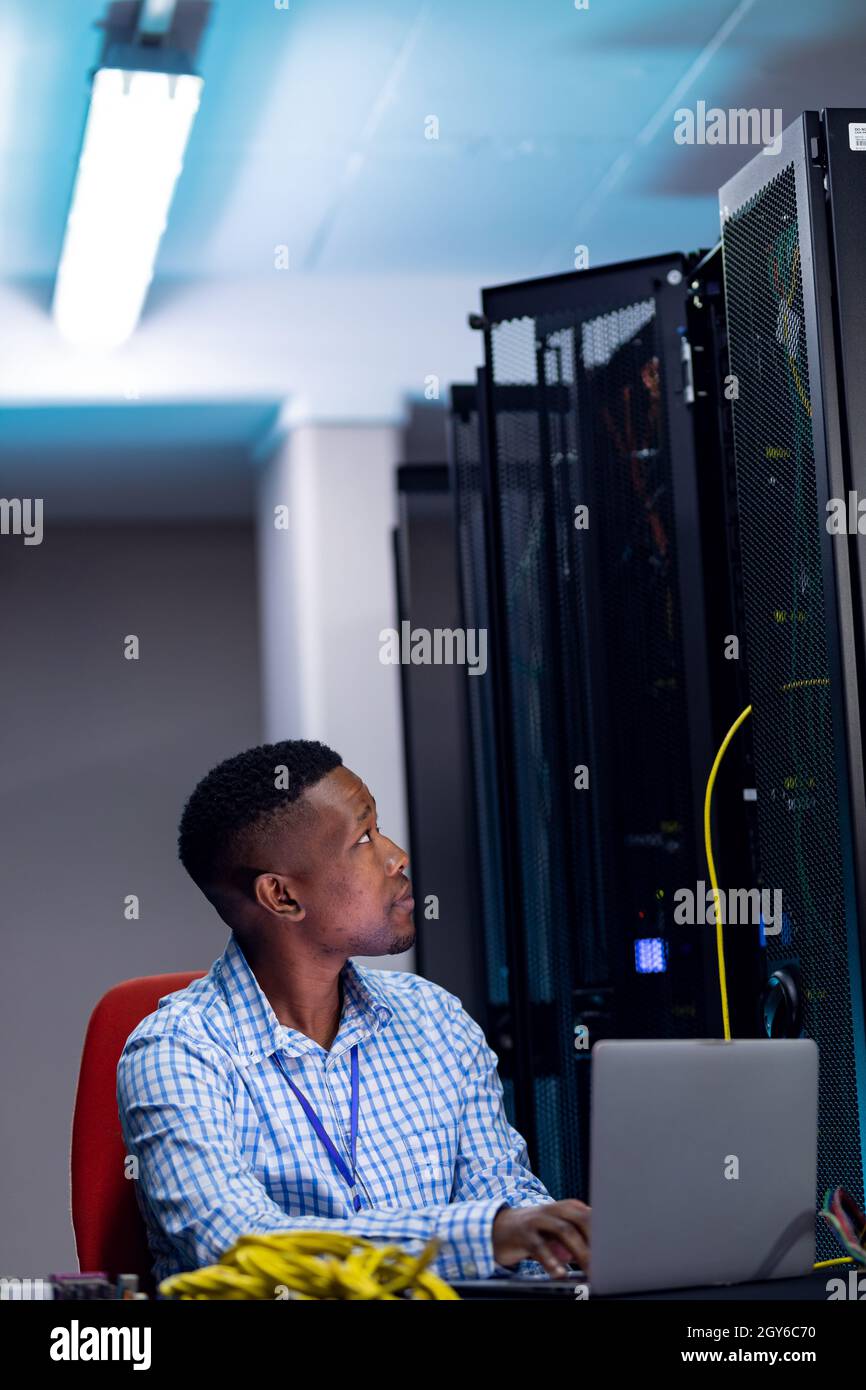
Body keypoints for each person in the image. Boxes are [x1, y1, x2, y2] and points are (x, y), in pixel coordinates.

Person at [117, 739, 591, 1288]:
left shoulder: (435, 1018)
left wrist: (562, 1244)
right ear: (281, 896)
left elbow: (507, 1203)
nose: (396, 856)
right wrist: (485, 1235)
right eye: (363, 838)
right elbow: (248, 1250)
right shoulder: (176, 1051)